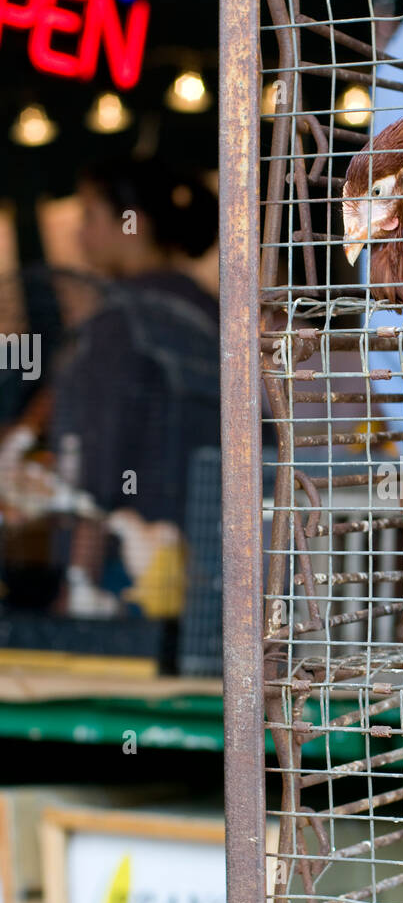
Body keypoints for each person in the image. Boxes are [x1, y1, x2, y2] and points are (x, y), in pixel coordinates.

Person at [47, 157, 220, 618]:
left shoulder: (120, 320)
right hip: (212, 564)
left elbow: (99, 457)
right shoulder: (211, 313)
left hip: (123, 569)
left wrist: (78, 578)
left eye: (90, 216)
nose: (80, 235)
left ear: (132, 224)